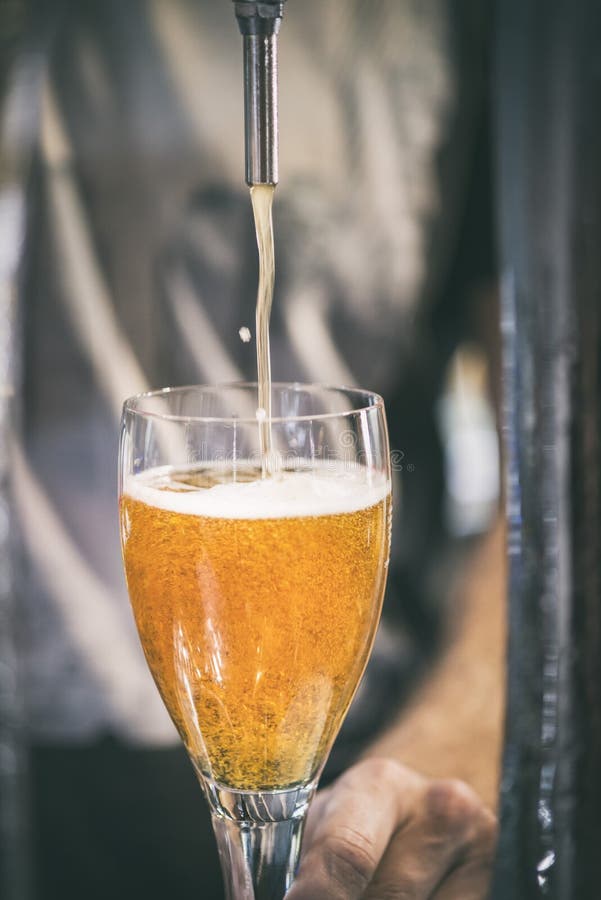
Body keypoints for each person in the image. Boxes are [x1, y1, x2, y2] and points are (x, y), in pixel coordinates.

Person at [10, 0, 502, 896]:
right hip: (64, 733)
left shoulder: (495, 34)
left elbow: (556, 464)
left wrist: (456, 729)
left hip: (387, 724)